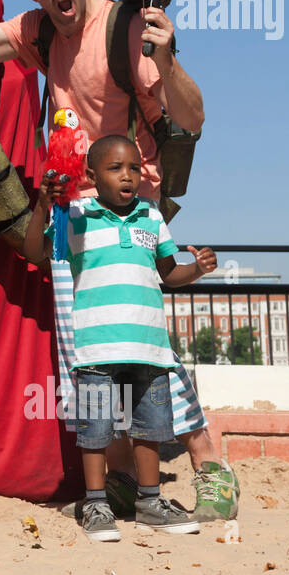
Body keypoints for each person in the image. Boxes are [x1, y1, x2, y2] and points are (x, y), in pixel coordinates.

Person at [0, 0, 239, 521]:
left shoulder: (123, 30)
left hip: (128, 209)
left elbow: (193, 116)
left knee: (146, 348)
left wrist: (166, 57)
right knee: (86, 351)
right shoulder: (37, 30)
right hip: (71, 213)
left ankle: (209, 466)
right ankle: (120, 481)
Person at [24, 135, 216, 542]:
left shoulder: (151, 215)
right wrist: (43, 205)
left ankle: (150, 503)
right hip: (96, 350)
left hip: (149, 349)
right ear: (92, 175)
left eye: (134, 168)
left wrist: (196, 269)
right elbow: (34, 251)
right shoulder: (76, 214)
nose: (127, 176)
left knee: (151, 429)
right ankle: (97, 504)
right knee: (95, 431)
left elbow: (169, 272)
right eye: (115, 168)